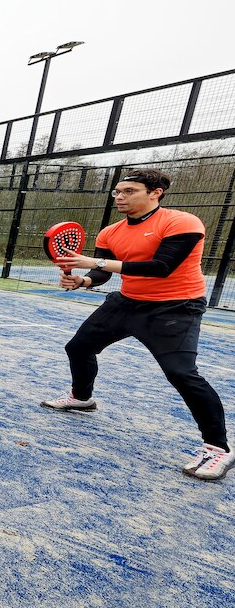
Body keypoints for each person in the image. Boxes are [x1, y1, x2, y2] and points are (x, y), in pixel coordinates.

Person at [42, 168, 230, 480]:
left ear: (155, 193)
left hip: (175, 307)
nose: (119, 197)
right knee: (78, 347)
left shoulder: (181, 222)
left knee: (181, 373)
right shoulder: (110, 232)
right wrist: (83, 280)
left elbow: (161, 268)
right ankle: (82, 398)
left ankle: (217, 449)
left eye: (129, 191)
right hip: (128, 302)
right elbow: (103, 274)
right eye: (117, 192)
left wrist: (94, 262)